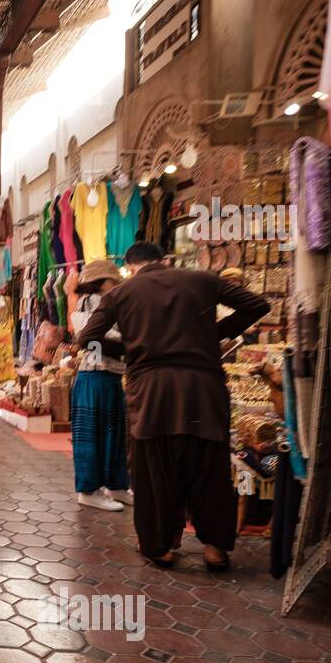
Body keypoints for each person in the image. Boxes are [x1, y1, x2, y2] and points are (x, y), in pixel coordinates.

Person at [78, 243, 269, 570]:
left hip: (152, 393)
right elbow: (258, 304)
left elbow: (87, 338)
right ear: (165, 261)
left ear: (132, 267)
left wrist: (130, 349)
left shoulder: (121, 293)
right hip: (203, 389)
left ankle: (160, 547)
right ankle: (214, 549)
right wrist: (215, 333)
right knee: (209, 469)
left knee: (155, 471)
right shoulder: (203, 279)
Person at [69, 260, 131, 511]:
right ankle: (88, 490)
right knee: (93, 436)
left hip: (107, 375)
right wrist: (128, 342)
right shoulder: (94, 302)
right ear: (105, 282)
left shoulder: (100, 302)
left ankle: (115, 486)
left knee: (114, 434)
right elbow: (90, 340)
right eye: (114, 281)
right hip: (96, 375)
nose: (116, 285)